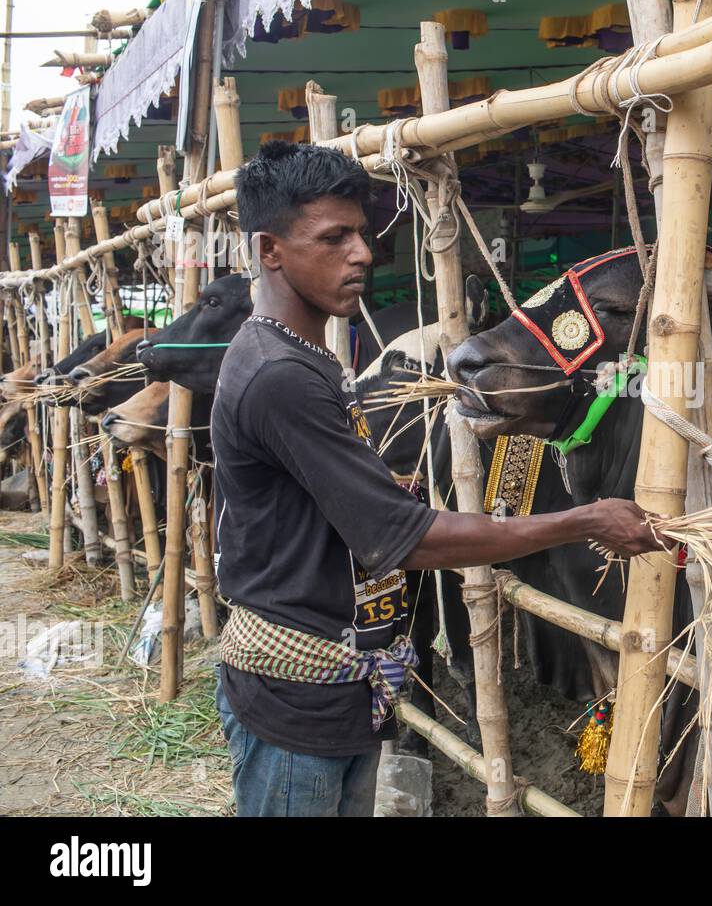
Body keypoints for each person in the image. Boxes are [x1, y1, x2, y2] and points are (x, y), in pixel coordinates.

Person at [211, 142, 663, 816]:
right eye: (334, 238)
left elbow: (330, 513)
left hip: (342, 692)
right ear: (270, 250)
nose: (362, 252)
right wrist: (583, 520)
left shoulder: (303, 358)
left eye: (361, 232)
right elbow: (402, 540)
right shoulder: (281, 376)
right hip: (297, 702)